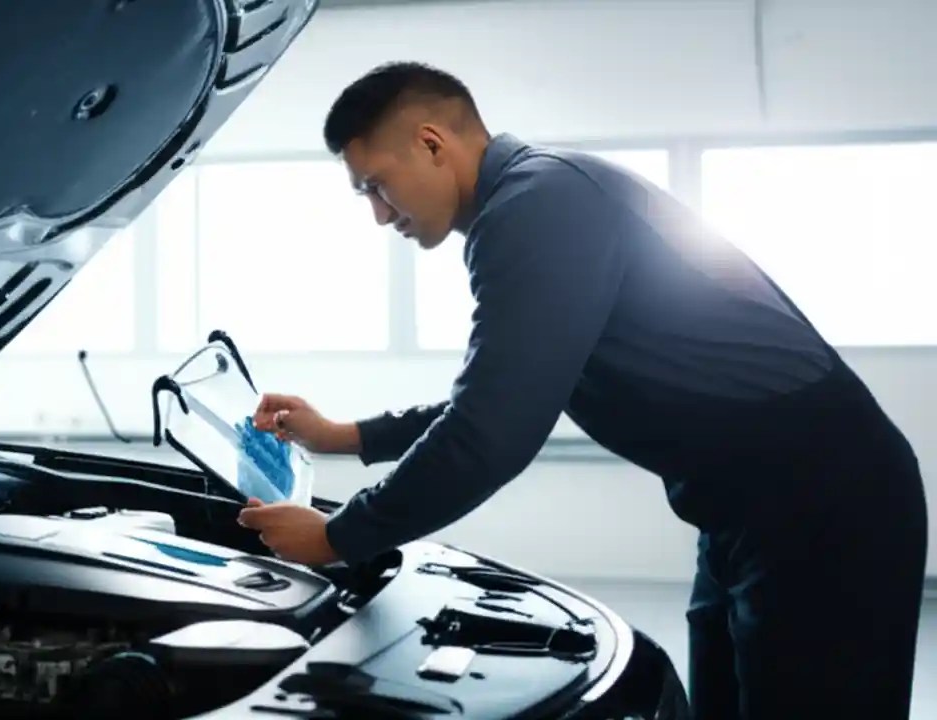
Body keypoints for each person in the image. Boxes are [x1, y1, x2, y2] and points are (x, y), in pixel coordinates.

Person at [235, 62, 928, 718]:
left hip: (825, 509)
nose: (380, 217)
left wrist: (338, 536)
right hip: (753, 514)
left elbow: (491, 432)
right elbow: (511, 392)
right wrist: (347, 436)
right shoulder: (540, 198)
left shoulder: (540, 205)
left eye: (375, 186)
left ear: (431, 143)